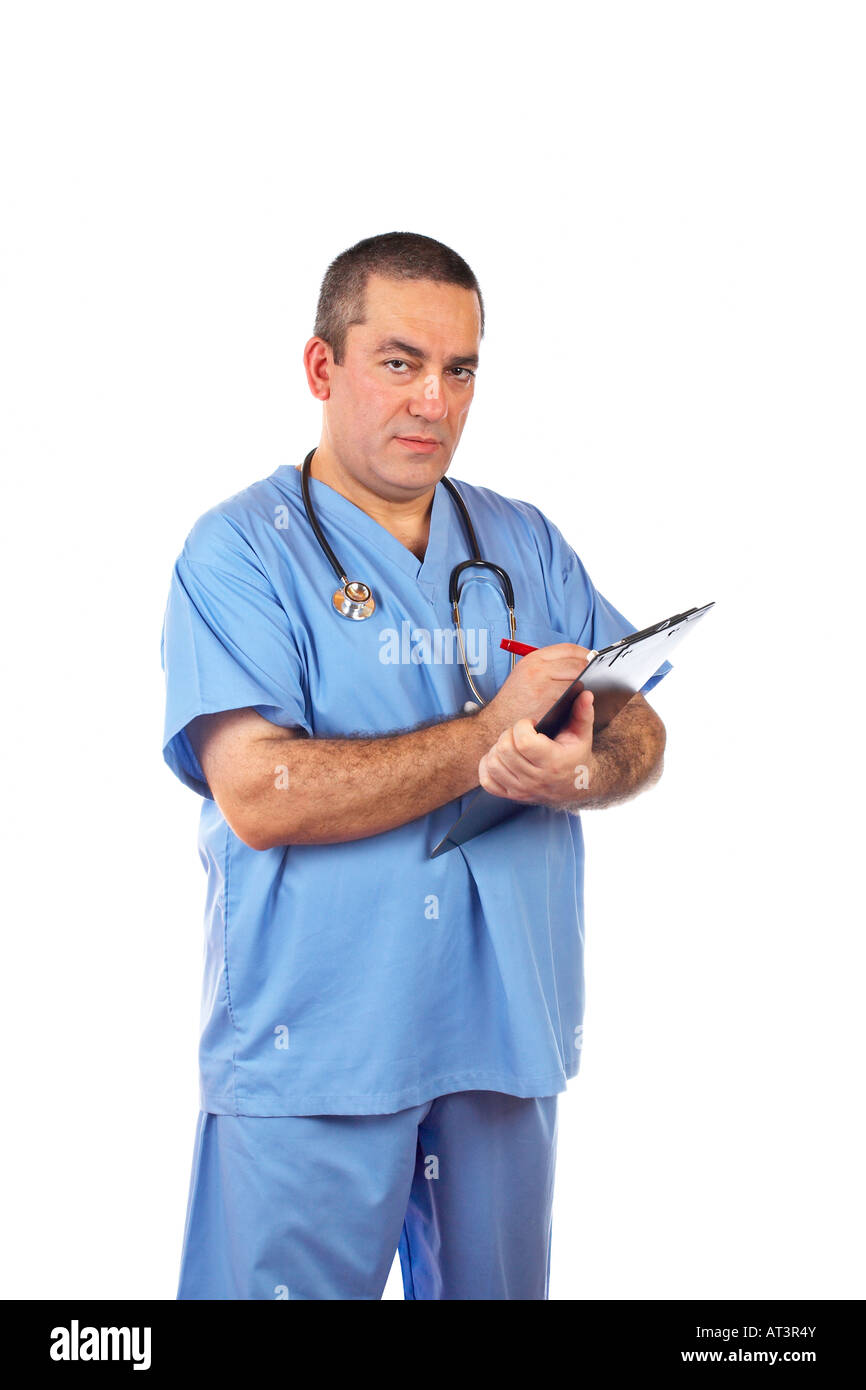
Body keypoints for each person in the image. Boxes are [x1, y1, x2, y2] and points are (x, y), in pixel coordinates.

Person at [161, 231, 670, 1301]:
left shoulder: (520, 540)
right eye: (398, 362)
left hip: (499, 1036)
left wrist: (576, 773)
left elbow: (635, 722)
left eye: (458, 369)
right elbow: (256, 789)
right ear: (321, 367)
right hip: (319, 1044)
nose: (431, 400)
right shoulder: (240, 552)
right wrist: (487, 741)